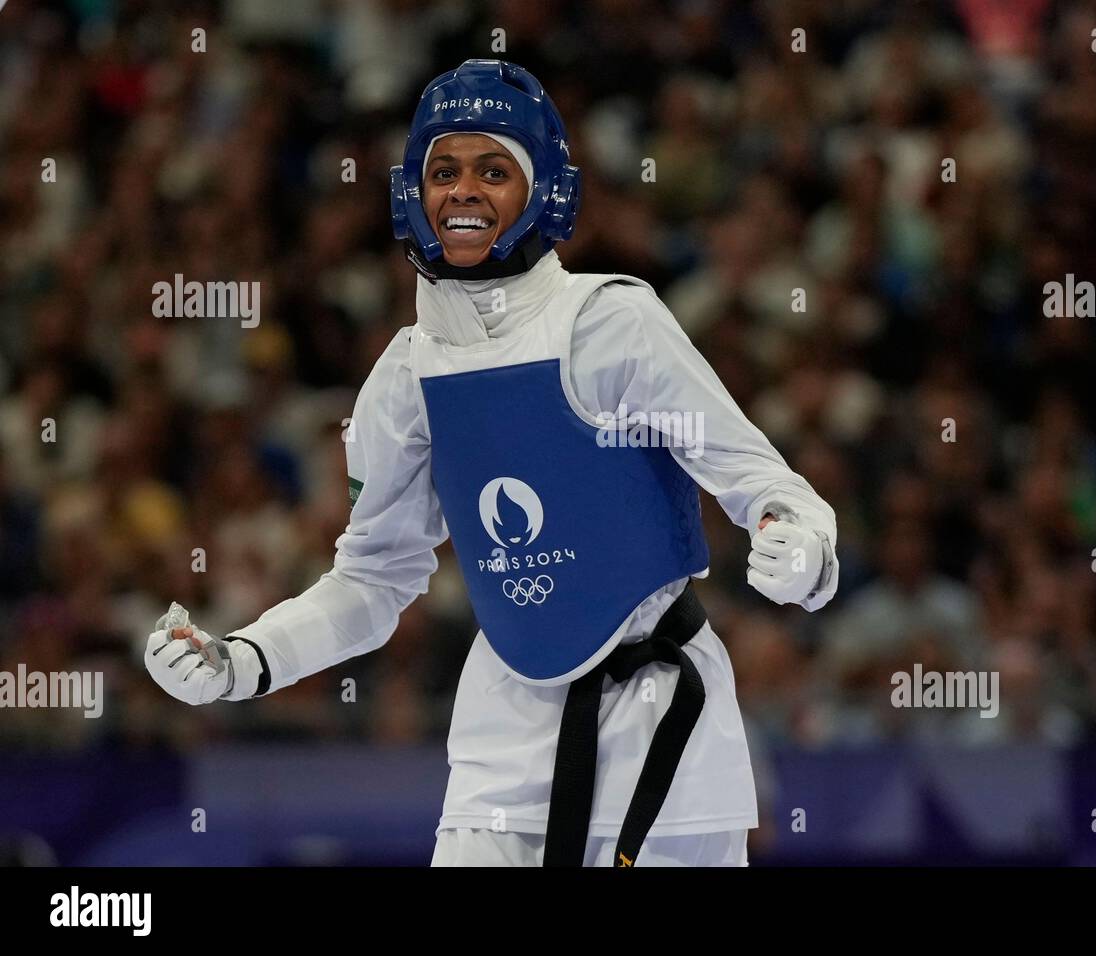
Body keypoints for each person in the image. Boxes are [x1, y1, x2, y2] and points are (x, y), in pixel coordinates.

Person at [144, 59, 840, 867]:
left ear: (544, 191)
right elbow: (372, 581)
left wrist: (804, 545)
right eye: (444, 169)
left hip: (665, 734)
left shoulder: (612, 322)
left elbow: (759, 480)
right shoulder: (405, 379)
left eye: (493, 169)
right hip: (501, 739)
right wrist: (244, 662)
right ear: (413, 192)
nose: (463, 190)